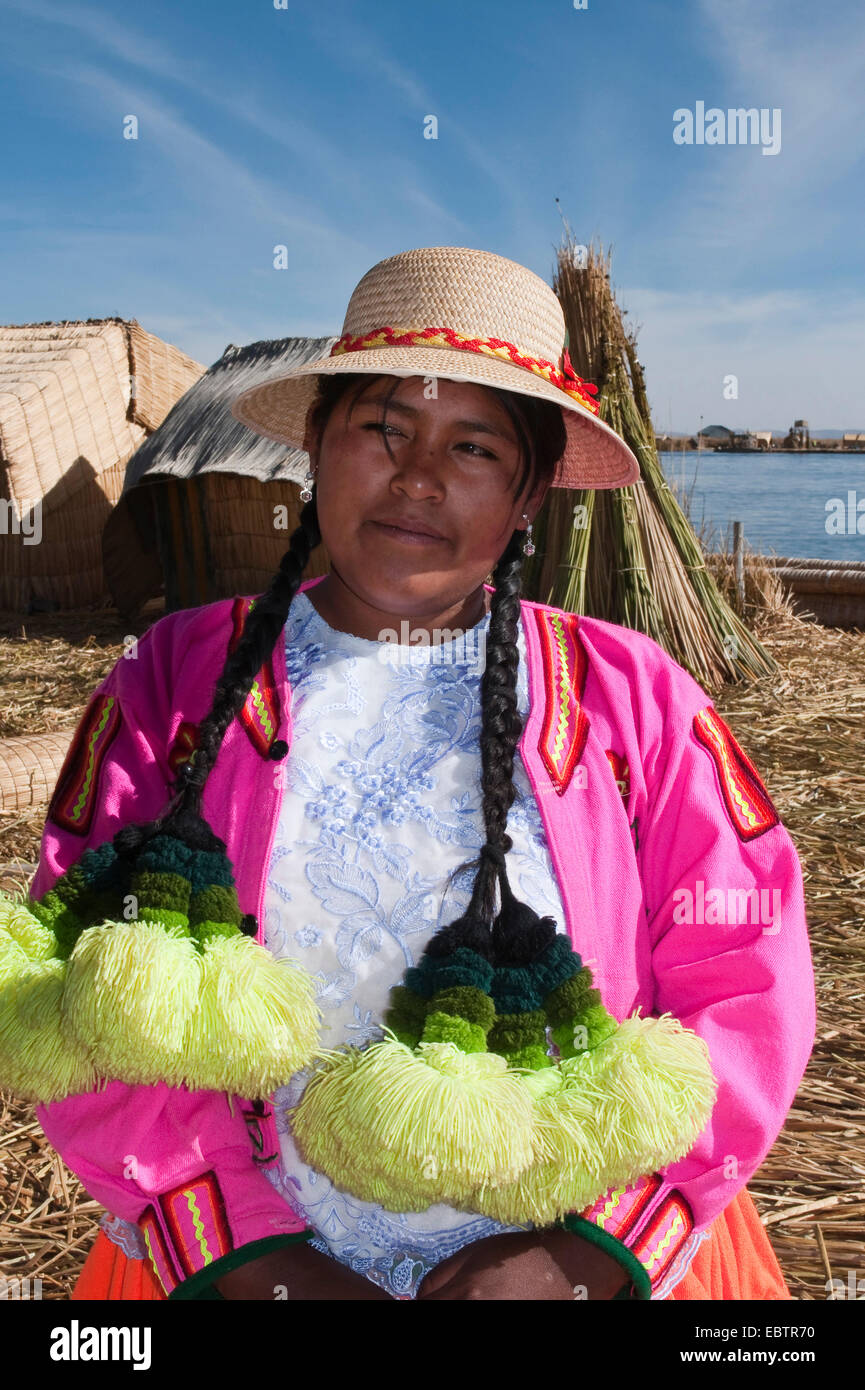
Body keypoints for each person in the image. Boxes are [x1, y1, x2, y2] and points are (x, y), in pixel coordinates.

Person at [26, 246, 814, 1301]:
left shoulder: (634, 699)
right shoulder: (172, 682)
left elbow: (746, 968)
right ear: (315, 442)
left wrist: (581, 1254)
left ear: (529, 491)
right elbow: (77, 977)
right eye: (383, 428)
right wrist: (245, 1255)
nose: (418, 477)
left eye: (474, 447)